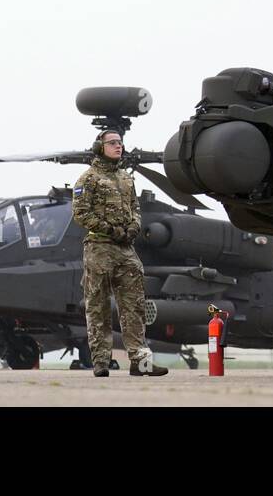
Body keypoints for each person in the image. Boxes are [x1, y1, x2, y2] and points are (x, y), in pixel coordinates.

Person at [72, 130, 168, 378]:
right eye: (113, 143)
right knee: (98, 307)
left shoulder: (126, 178)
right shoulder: (88, 179)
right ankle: (101, 362)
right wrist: (110, 230)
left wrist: (134, 226)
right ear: (99, 147)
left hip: (126, 250)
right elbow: (81, 214)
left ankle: (140, 361)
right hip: (99, 248)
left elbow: (136, 208)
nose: (119, 147)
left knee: (134, 306)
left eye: (120, 143)